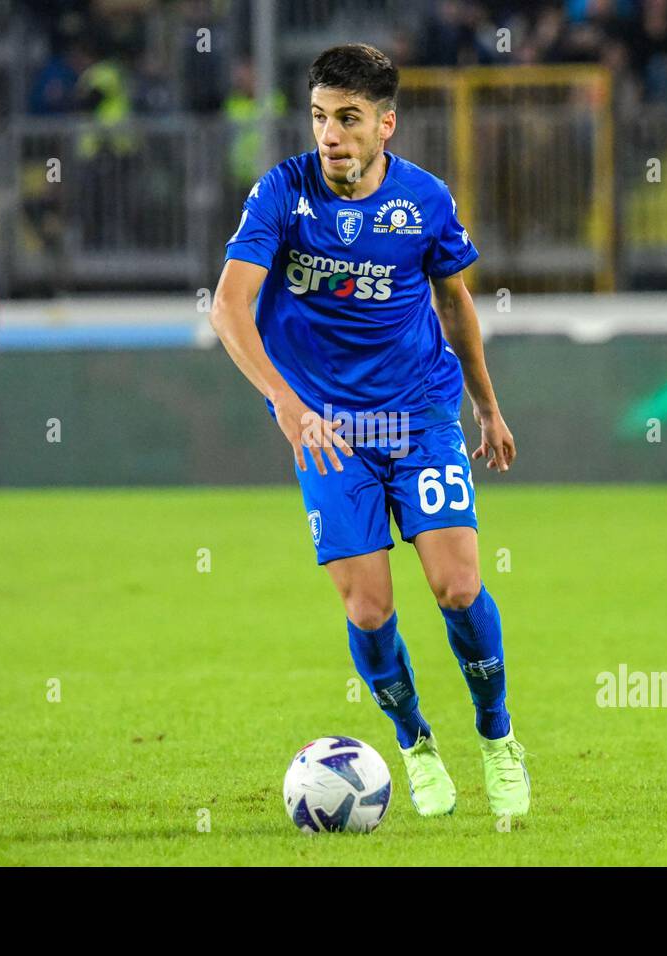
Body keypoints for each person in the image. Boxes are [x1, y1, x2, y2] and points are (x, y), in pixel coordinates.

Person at [209, 44, 529, 818]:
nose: (331, 134)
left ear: (385, 124)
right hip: (327, 429)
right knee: (369, 610)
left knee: (457, 585)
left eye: (349, 119)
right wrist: (287, 404)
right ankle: (416, 744)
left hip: (418, 415)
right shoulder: (281, 196)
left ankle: (497, 738)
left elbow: (454, 306)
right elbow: (228, 307)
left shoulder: (423, 199)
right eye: (321, 117)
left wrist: (486, 405)